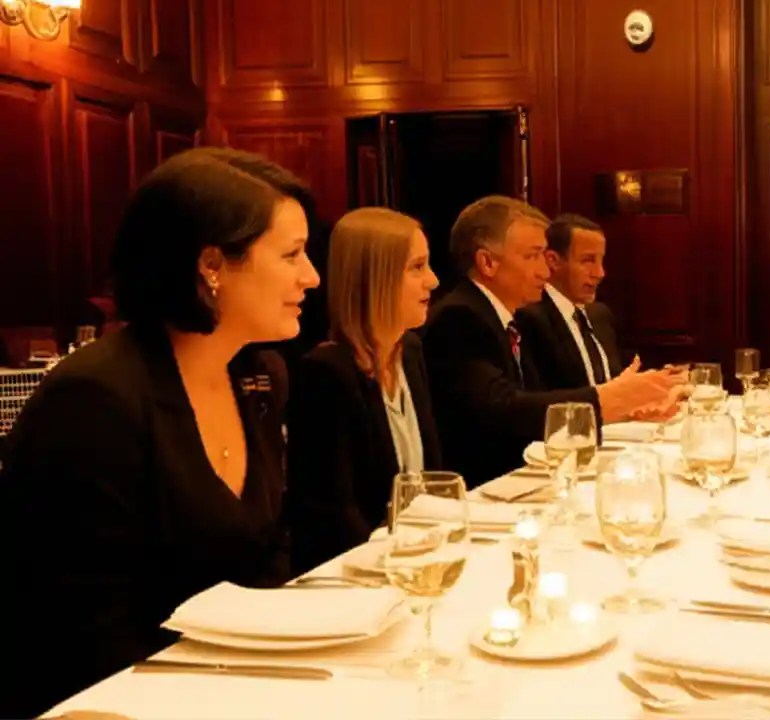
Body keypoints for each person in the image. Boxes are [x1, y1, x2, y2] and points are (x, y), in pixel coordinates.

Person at [0, 147, 321, 716]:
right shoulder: (97, 397)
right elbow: (76, 627)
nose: (312, 276)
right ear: (212, 265)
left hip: (237, 688)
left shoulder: (259, 375)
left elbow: (268, 555)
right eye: (292, 254)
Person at [421, 196, 680, 486]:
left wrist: (625, 404)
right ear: (488, 262)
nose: (545, 272)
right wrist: (609, 397)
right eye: (532, 256)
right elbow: (503, 409)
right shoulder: (459, 317)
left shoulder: (506, 318)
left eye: (544, 256)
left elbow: (540, 395)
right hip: (483, 490)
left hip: (524, 482)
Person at [286, 207, 444, 573]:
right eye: (417, 267)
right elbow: (332, 518)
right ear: (377, 278)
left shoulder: (411, 353)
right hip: (361, 578)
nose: (433, 281)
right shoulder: (326, 374)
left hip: (419, 561)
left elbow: (433, 478)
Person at [517, 213, 625, 388]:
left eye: (601, 260)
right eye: (588, 261)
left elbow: (618, 381)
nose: (599, 273)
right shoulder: (530, 319)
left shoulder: (599, 315)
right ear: (553, 260)